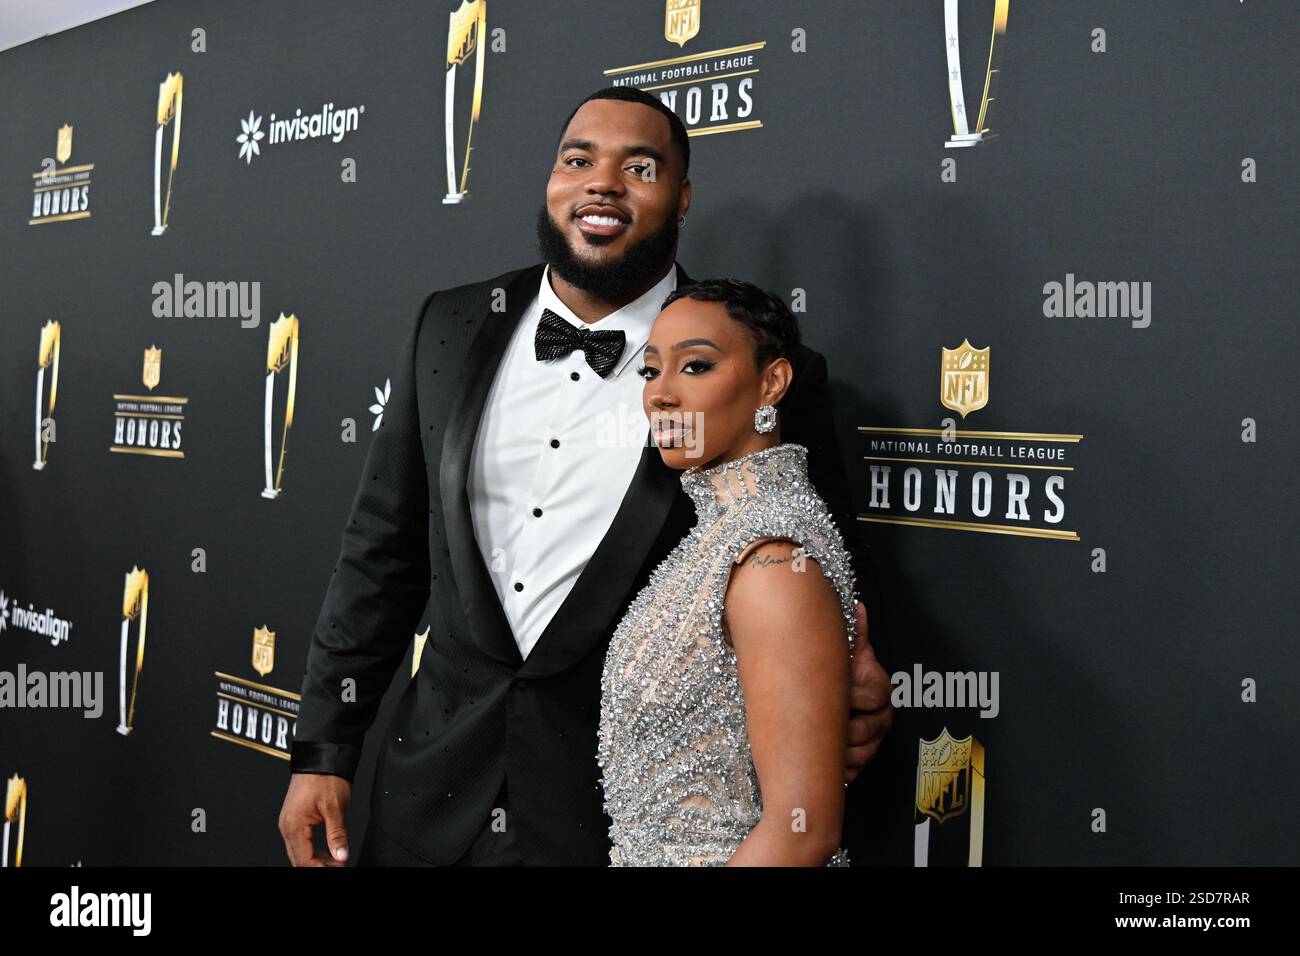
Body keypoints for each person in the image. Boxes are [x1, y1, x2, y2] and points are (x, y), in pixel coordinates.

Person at [278, 85, 893, 867]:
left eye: (640, 166)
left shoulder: (762, 375)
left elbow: (817, 563)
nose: (602, 182)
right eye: (579, 160)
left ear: (682, 198)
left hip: (615, 819)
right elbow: (380, 552)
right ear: (552, 181)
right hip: (428, 793)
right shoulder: (450, 325)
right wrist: (323, 751)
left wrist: (855, 678)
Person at [599, 279, 857, 866]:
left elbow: (803, 832)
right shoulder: (722, 537)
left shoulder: (772, 560)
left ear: (773, 382)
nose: (659, 395)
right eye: (649, 371)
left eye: (694, 366)